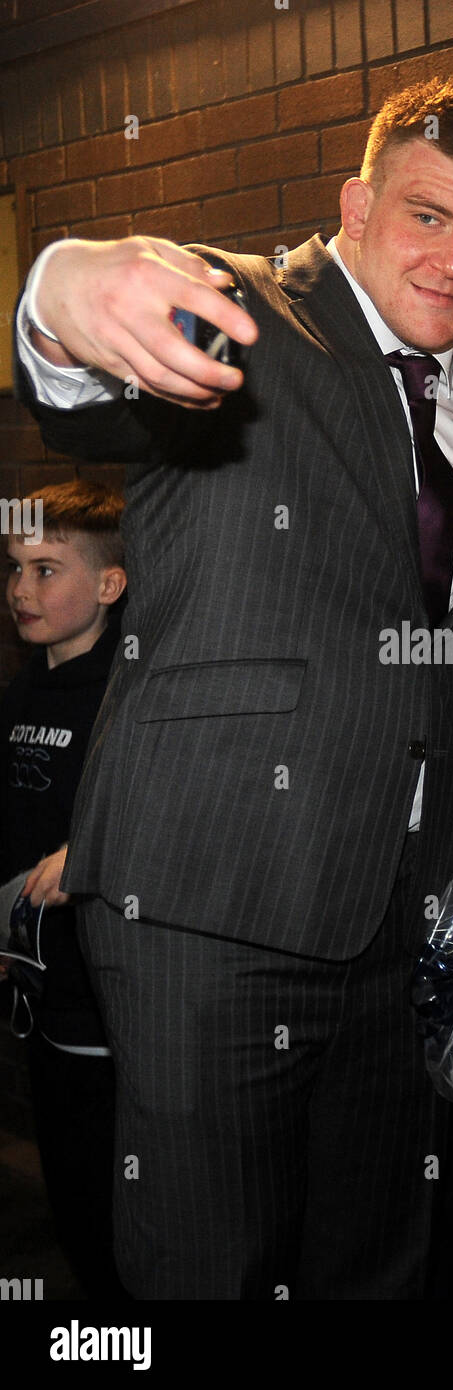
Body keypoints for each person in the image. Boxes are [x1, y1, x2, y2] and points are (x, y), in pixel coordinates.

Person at [14, 78, 453, 1300]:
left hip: (398, 913)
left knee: (381, 1260)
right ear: (355, 204)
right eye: (425, 216)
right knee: (208, 1265)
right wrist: (61, 296)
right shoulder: (245, 310)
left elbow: (423, 632)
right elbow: (85, 380)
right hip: (215, 896)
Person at [1, 480, 127, 1298]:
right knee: (73, 1206)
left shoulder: (131, 697)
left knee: (115, 1217)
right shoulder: (21, 692)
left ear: (110, 584)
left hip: (107, 1006)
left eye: (45, 570)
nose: (19, 591)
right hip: (37, 998)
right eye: (12, 570)